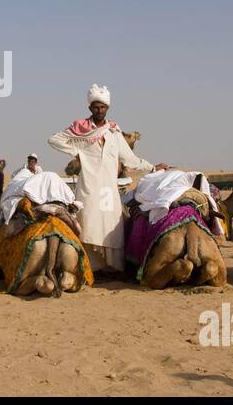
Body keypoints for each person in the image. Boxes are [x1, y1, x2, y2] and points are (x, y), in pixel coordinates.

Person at [48, 85, 168, 274]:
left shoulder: (113, 131)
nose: (99, 110)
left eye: (102, 107)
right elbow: (54, 140)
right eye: (95, 107)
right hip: (88, 187)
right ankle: (90, 268)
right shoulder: (81, 128)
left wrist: (152, 167)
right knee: (88, 223)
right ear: (90, 108)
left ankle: (112, 268)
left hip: (108, 189)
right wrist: (77, 151)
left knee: (111, 225)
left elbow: (129, 159)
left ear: (107, 108)